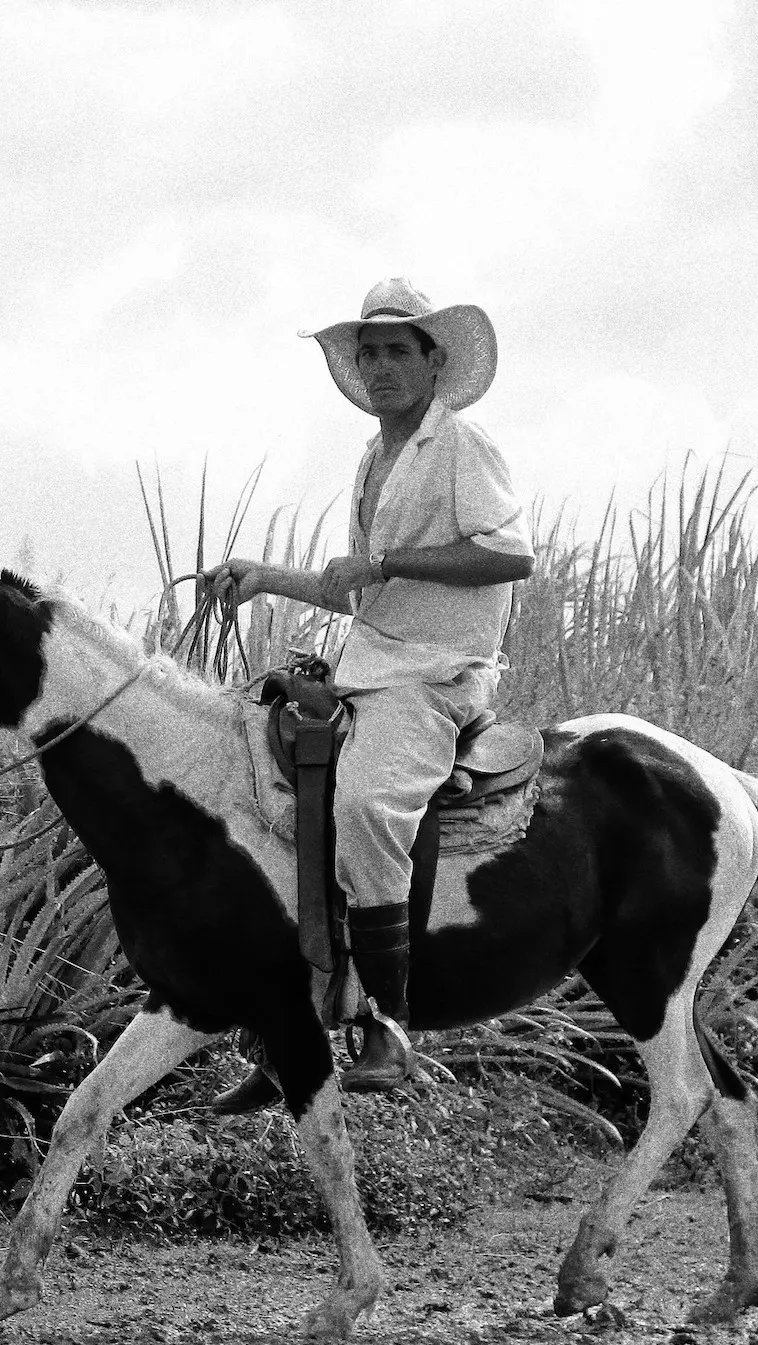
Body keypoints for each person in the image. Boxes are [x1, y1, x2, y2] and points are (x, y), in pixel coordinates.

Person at [206, 278, 532, 1112]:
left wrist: (388, 565)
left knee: (365, 804)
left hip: (437, 675)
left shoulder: (461, 446)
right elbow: (358, 592)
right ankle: (293, 1020)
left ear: (432, 362)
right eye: (369, 353)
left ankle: (388, 1022)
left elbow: (509, 556)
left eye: (397, 350)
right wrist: (264, 577)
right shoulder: (373, 460)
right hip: (368, 665)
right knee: (270, 790)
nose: (380, 366)